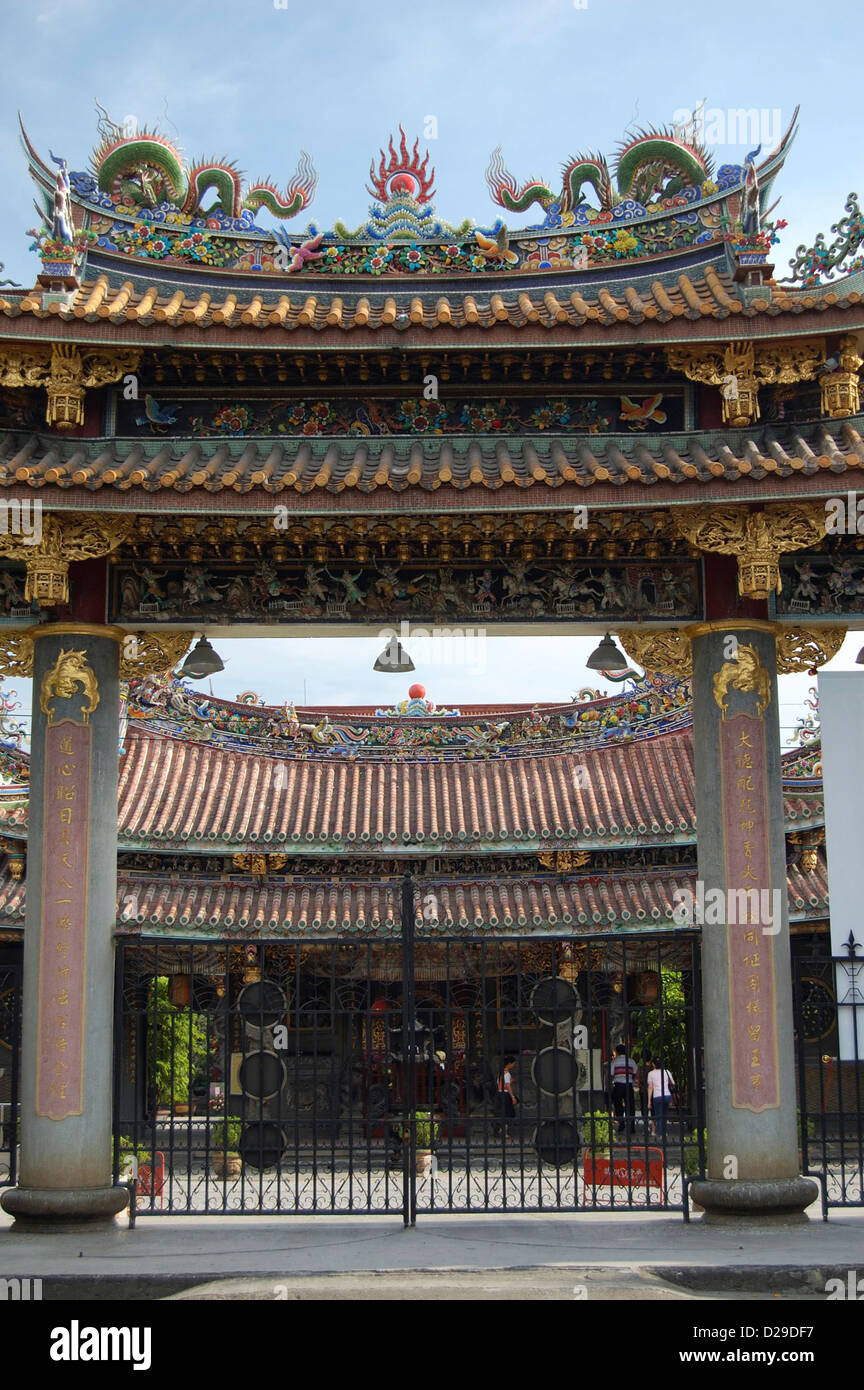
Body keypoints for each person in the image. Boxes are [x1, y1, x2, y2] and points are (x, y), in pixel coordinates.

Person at [609, 1045, 638, 1137]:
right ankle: (632, 1125)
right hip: (628, 1085)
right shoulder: (631, 1061)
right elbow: (635, 1072)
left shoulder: (614, 1062)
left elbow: (611, 1073)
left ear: (617, 1052)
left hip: (618, 1085)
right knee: (630, 1105)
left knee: (617, 1103)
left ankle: (621, 1123)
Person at [646, 1057, 676, 1139]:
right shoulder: (667, 1072)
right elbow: (673, 1083)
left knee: (659, 1115)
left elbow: (650, 1087)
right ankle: (664, 1132)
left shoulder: (651, 1074)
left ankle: (661, 1133)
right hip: (667, 1095)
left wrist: (649, 1101)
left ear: (653, 1064)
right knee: (665, 1114)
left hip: (657, 1096)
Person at [495, 1059, 518, 1142]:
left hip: (499, 1094)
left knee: (502, 1112)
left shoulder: (500, 1074)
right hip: (505, 1094)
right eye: (513, 1063)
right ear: (509, 1064)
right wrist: (512, 1096)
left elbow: (500, 1084)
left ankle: (502, 1128)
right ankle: (504, 1131)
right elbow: (508, 1086)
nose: (513, 1065)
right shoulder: (507, 1073)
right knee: (507, 1113)